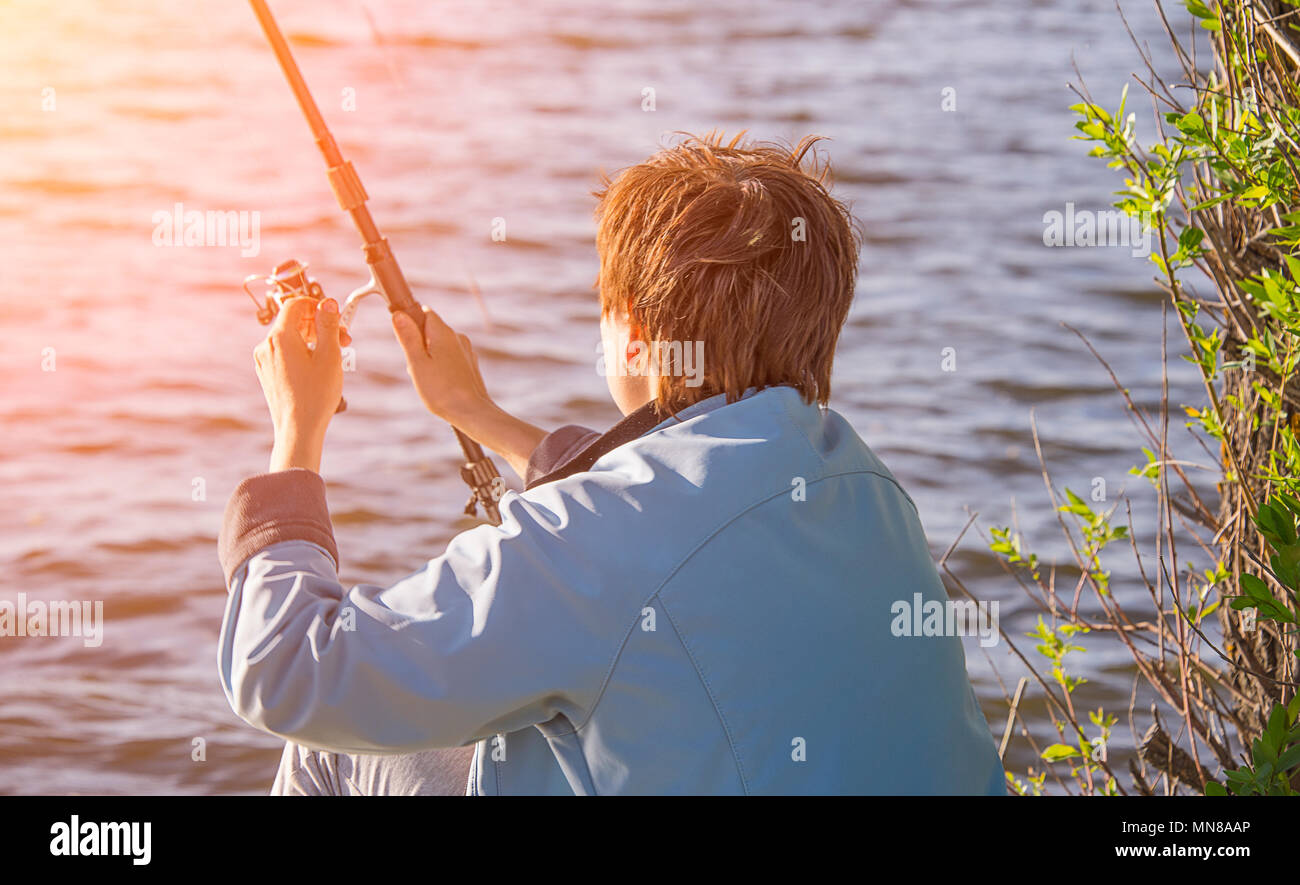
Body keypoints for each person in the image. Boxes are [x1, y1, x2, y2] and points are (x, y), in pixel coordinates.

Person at [217, 132, 1006, 795]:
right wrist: (478, 415)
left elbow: (285, 667)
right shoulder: (860, 479)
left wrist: (298, 430)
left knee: (328, 744)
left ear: (630, 333)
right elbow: (673, 516)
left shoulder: (591, 540)